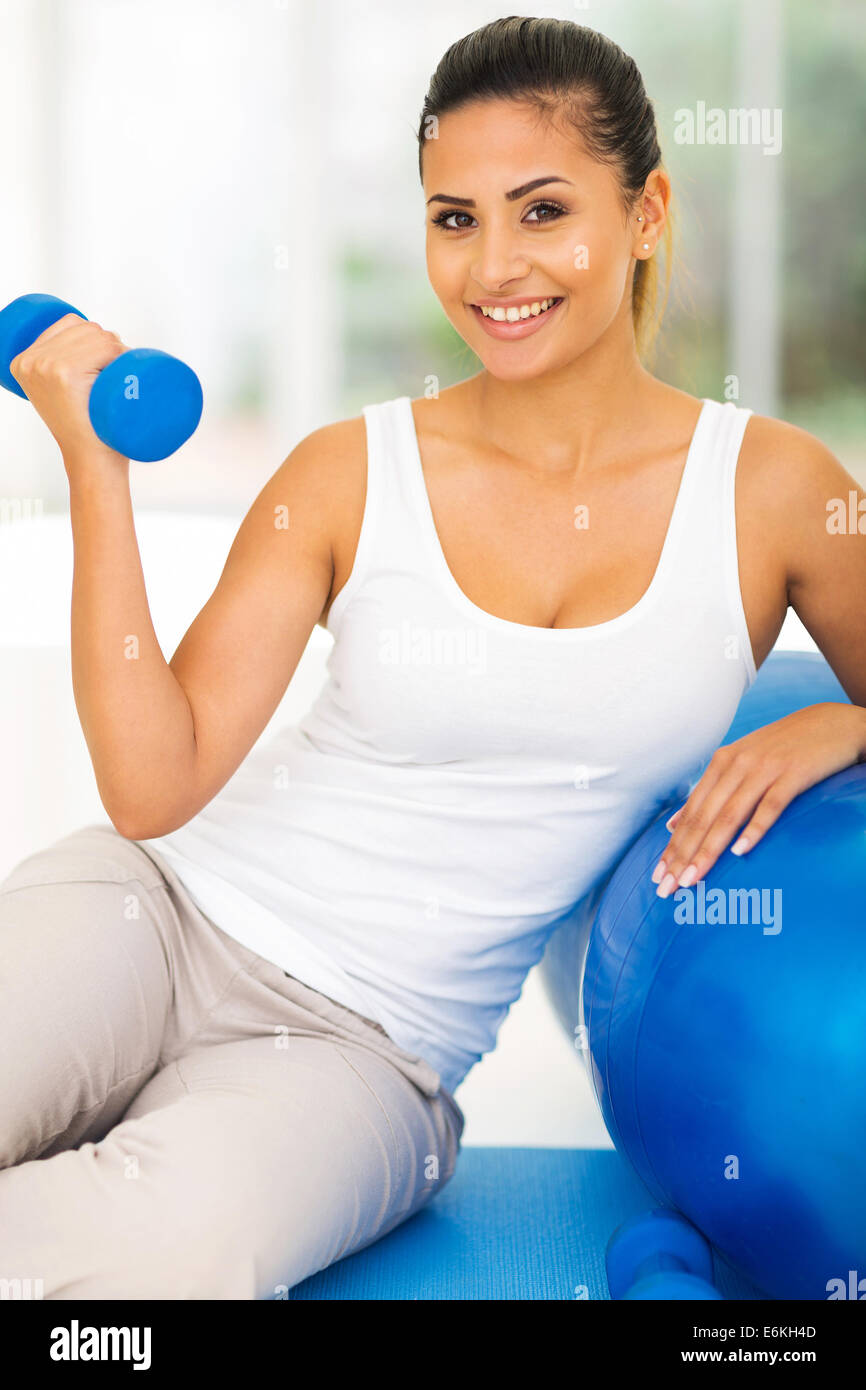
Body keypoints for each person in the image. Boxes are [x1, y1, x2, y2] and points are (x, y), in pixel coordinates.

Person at [2, 15, 864, 1301]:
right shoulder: (347, 471)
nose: (493, 266)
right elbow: (150, 783)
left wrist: (847, 723)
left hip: (369, 1052)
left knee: (163, 1263)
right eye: (452, 217)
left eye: (541, 209)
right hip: (159, 910)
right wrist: (97, 477)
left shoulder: (777, 491)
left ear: (644, 213)